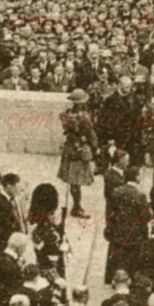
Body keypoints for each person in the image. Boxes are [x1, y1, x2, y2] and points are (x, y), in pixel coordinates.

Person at [58, 88, 97, 218]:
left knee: (73, 181)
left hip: (69, 149)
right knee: (76, 181)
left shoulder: (66, 114)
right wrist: (94, 147)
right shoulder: (84, 116)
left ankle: (76, 206)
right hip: (80, 151)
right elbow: (90, 133)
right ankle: (77, 207)